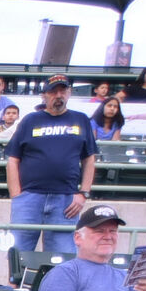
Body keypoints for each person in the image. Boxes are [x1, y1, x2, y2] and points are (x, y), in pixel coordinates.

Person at [5, 75, 97, 252]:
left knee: (62, 256)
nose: (58, 95)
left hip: (66, 199)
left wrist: (83, 193)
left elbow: (89, 159)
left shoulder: (81, 119)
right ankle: (16, 282)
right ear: (44, 96)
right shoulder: (30, 120)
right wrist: (17, 195)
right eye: (53, 91)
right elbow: (13, 159)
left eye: (63, 90)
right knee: (19, 254)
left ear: (69, 93)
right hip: (29, 197)